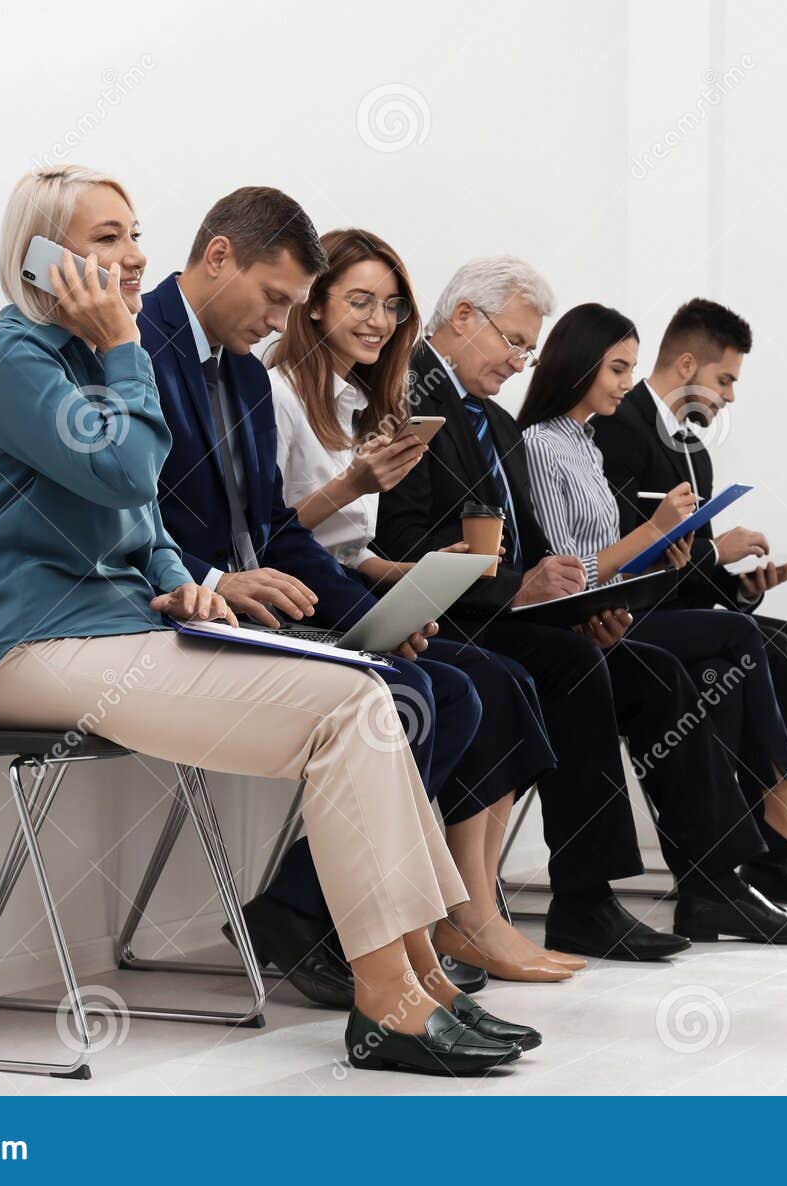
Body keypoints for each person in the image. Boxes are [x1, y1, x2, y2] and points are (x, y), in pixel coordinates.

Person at [0, 165, 532, 1073]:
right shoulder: (14, 358)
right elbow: (132, 474)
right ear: (39, 255)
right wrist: (122, 344)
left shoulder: (92, 360)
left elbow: (143, 527)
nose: (135, 254)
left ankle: (419, 976)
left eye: (133, 231)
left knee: (374, 691)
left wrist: (185, 581)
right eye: (107, 239)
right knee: (352, 706)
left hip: (119, 631)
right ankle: (387, 996)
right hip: (28, 646)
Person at [377, 257, 787, 953]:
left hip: (502, 610)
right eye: (516, 342)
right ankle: (583, 900)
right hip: (455, 617)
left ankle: (712, 886)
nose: (522, 361)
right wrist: (525, 590)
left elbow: (531, 551)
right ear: (464, 317)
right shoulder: (410, 399)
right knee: (578, 666)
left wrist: (573, 602)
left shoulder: (495, 425)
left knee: (655, 674)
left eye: (531, 347)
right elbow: (404, 541)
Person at [137, 188, 507, 1003]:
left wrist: (368, 619)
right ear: (220, 256)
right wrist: (207, 582)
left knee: (449, 692)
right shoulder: (139, 347)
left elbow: (277, 529)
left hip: (257, 603)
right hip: (178, 612)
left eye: (292, 305)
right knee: (408, 690)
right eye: (276, 299)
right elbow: (139, 517)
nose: (279, 320)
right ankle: (339, 925)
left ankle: (304, 909)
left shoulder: (235, 372)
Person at [263, 227, 570, 981]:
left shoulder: (352, 398)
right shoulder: (275, 394)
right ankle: (335, 906)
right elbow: (267, 537)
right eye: (359, 301)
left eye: (389, 305)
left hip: (333, 583)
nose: (377, 319)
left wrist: (415, 577)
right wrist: (360, 503)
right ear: (313, 304)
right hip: (287, 597)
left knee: (486, 687)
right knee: (460, 689)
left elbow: (350, 544)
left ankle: (421, 906)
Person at [519, 303, 787, 933]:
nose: (624, 381)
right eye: (617, 368)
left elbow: (633, 564)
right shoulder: (565, 440)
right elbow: (569, 569)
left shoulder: (598, 445)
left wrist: (702, 565)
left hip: (640, 603)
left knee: (739, 657)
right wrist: (673, 542)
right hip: (603, 617)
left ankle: (719, 880)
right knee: (733, 641)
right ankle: (775, 808)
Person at [592, 298, 787, 893]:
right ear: (686, 366)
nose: (730, 396)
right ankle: (773, 841)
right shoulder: (613, 429)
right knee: (765, 652)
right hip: (633, 617)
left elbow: (688, 570)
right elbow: (615, 557)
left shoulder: (694, 452)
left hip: (689, 613)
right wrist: (714, 552)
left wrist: (741, 587)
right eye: (725, 379)